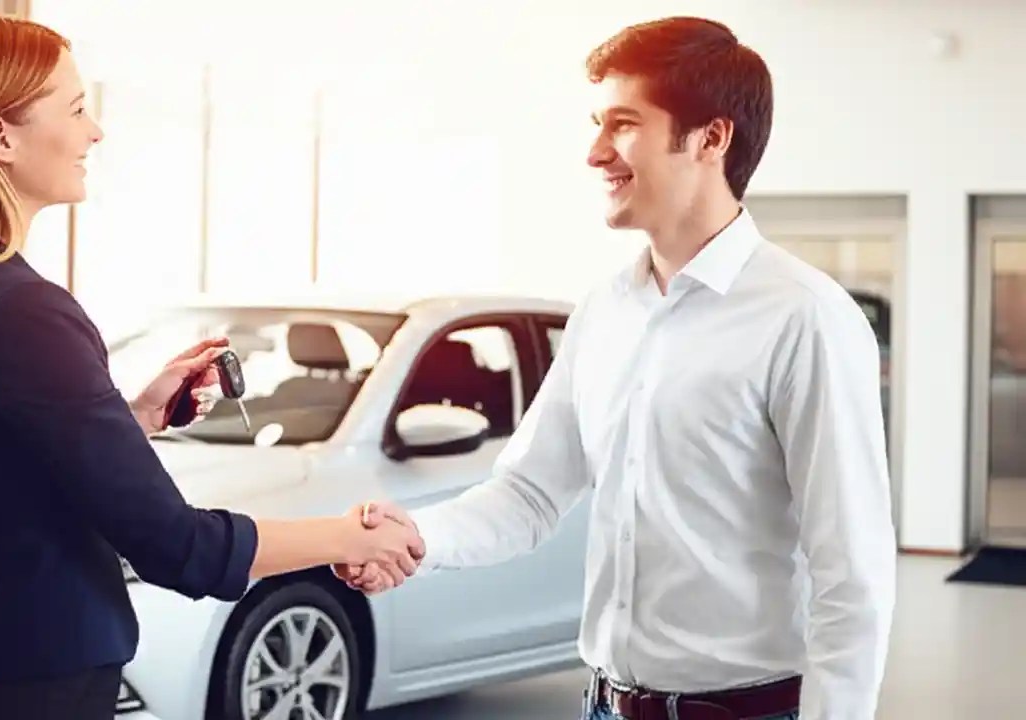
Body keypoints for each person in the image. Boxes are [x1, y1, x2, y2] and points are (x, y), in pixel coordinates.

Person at [0, 14, 422, 720]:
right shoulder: (24, 313)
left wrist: (129, 422)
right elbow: (176, 547)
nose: (95, 131)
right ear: (1, 135)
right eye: (75, 108)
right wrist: (346, 535)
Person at [335, 16, 896, 720]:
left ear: (711, 138)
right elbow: (530, 494)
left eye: (622, 124)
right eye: (596, 124)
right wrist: (420, 536)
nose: (596, 153)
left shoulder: (804, 317)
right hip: (605, 705)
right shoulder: (603, 312)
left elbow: (854, 573)